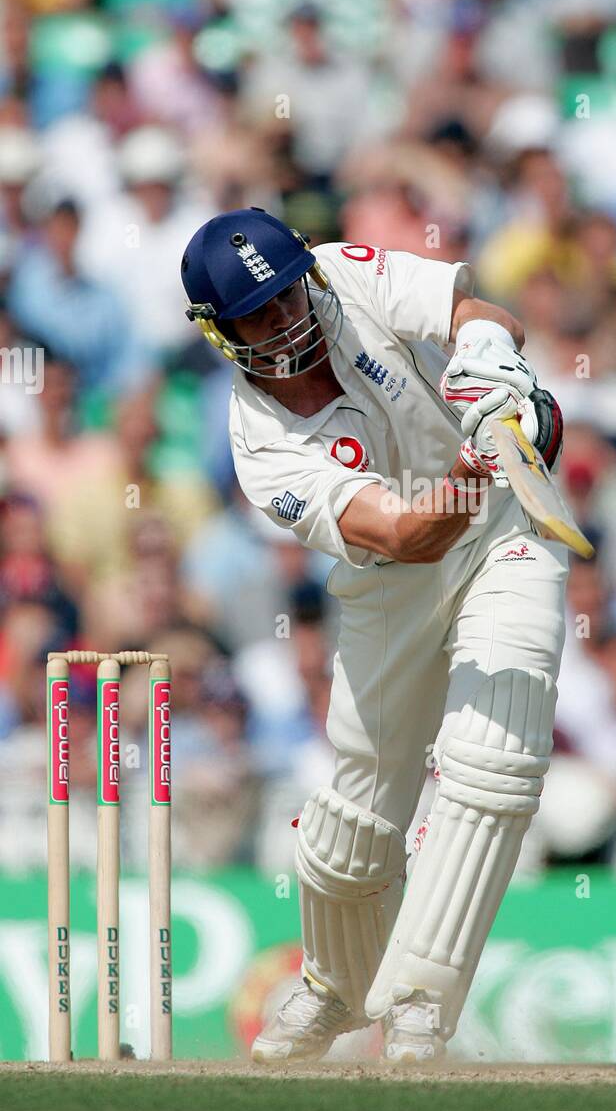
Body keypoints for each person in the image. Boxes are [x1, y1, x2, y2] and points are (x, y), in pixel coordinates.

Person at [180, 208, 568, 1062]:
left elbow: (476, 309)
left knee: (493, 754)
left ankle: (422, 1002)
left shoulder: (340, 272)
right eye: (259, 312)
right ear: (220, 333)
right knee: (353, 821)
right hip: (392, 579)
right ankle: (335, 989)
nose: (286, 319)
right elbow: (400, 536)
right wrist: (473, 467)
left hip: (507, 530)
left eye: (289, 295)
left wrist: (489, 366)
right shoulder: (261, 445)